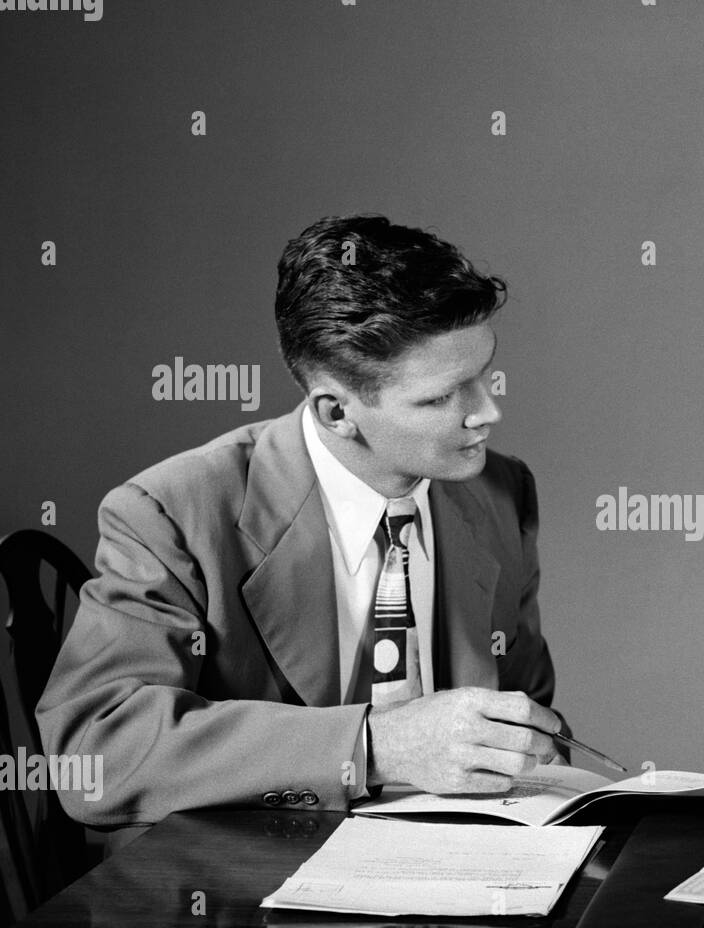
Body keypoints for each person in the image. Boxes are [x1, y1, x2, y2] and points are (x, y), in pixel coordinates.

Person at [38, 215, 566, 836]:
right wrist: (373, 745)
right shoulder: (169, 512)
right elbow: (95, 751)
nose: (488, 411)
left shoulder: (503, 492)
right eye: (443, 396)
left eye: (484, 373)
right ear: (336, 411)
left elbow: (528, 708)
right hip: (235, 904)